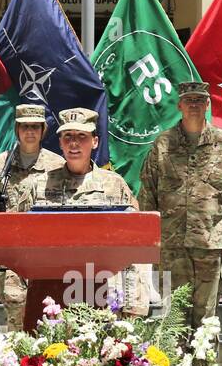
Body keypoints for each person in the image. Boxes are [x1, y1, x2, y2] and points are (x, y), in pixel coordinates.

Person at [10, 106, 149, 319]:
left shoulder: (114, 186)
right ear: (60, 142)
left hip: (104, 296)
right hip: (49, 297)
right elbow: (16, 241)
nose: (73, 143)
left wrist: (134, 306)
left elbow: (135, 247)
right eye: (68, 136)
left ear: (95, 141)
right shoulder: (40, 185)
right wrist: (17, 298)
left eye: (81, 136)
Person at [138, 80, 222, 336]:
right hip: (170, 246)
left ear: (208, 104)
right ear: (179, 105)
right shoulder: (163, 144)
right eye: (189, 100)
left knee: (206, 321)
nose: (194, 105)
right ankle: (172, 363)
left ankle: (203, 364)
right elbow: (148, 192)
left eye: (199, 100)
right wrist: (149, 240)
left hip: (209, 244)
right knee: (171, 319)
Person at [0, 103, 63, 331]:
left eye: (35, 126)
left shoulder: (57, 165)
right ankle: (17, 351)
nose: (30, 132)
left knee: (48, 311)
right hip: (10, 255)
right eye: (25, 126)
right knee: (14, 310)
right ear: (17, 129)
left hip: (45, 254)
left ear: (43, 130)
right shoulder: (1, 164)